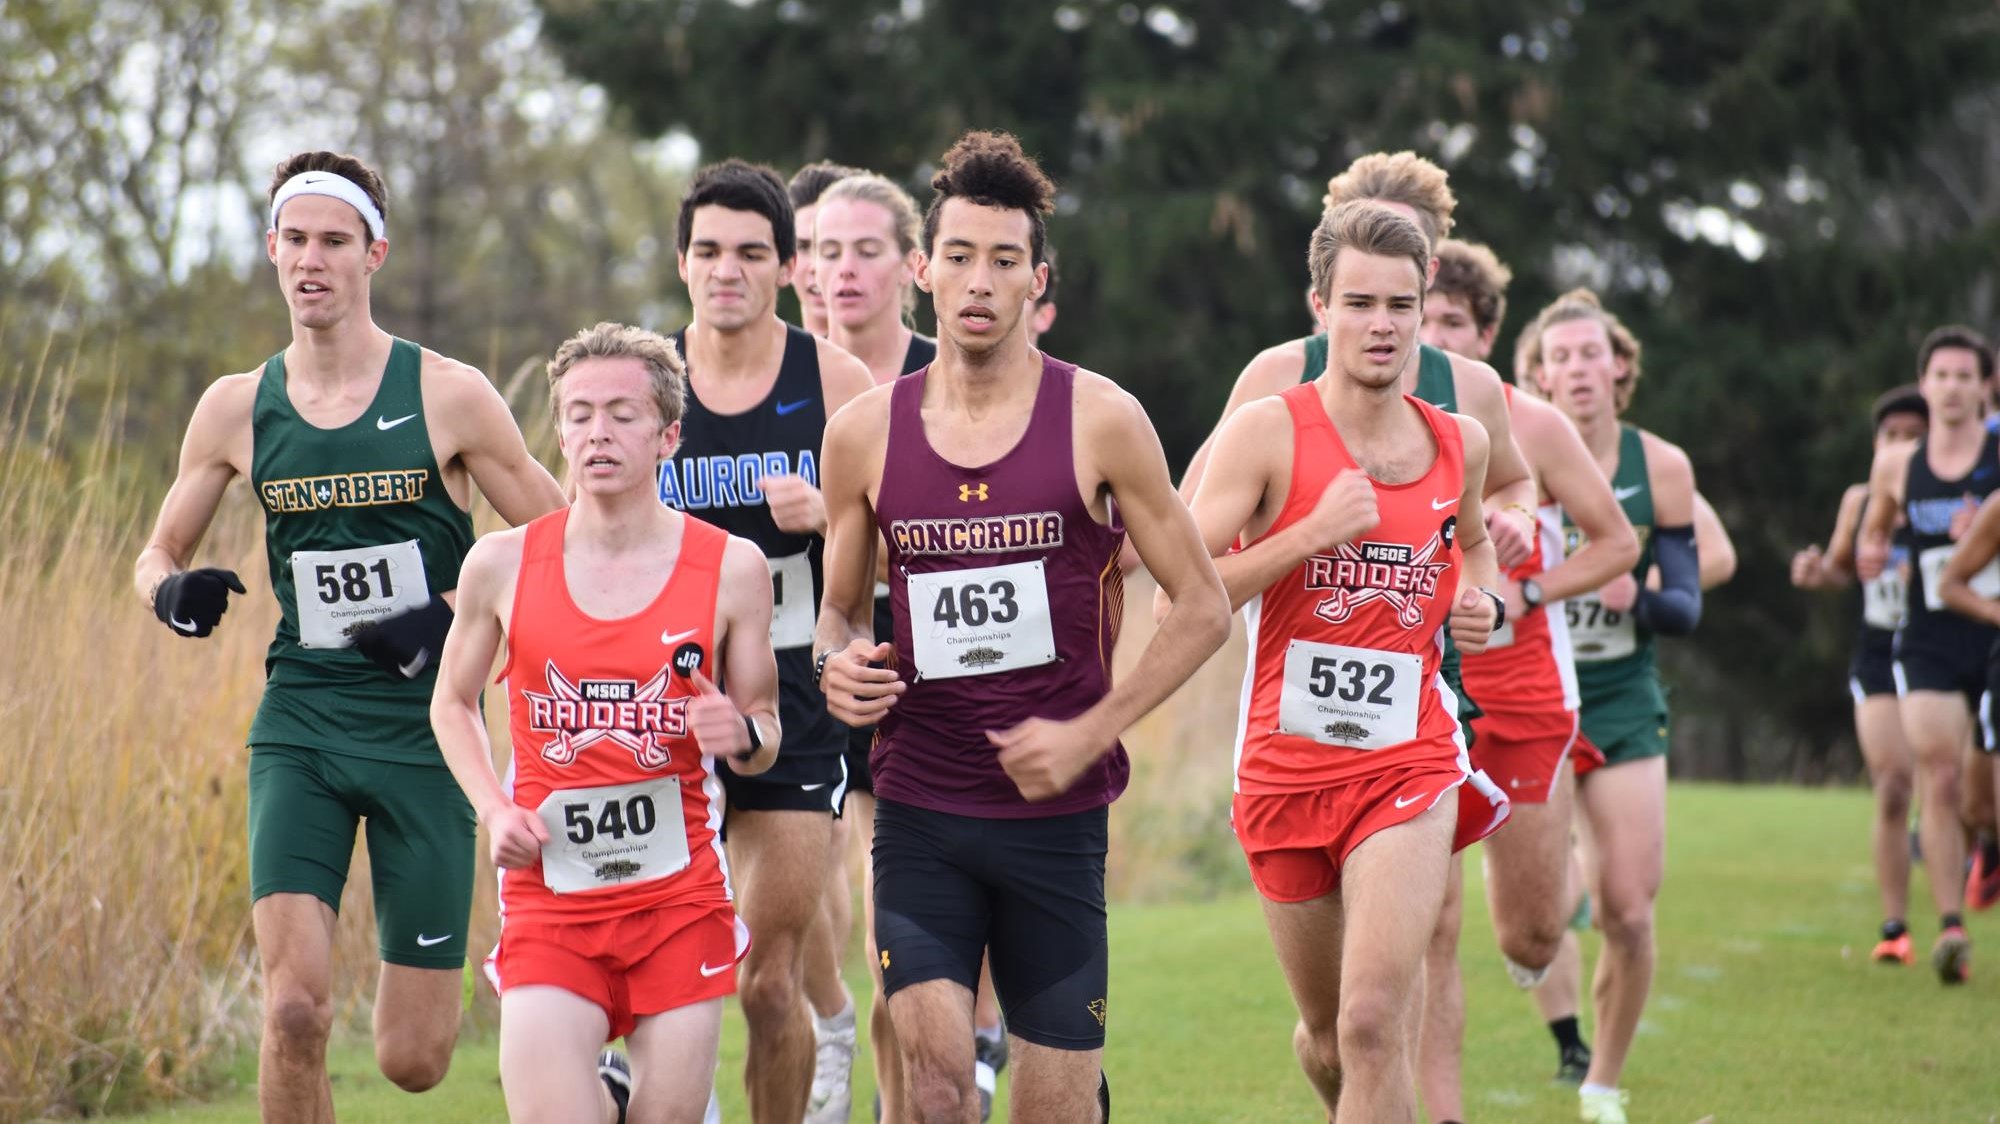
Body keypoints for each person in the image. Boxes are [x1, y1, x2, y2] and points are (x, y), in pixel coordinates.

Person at [132, 151, 568, 1122]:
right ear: (271, 251)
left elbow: (563, 544)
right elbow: (156, 549)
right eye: (294, 239)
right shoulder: (236, 407)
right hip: (302, 726)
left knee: (413, 1057)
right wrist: (170, 590)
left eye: (334, 240)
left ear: (375, 252)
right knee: (292, 1008)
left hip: (427, 734)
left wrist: (449, 616)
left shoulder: (449, 393)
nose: (311, 260)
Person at [814, 130, 1230, 1124]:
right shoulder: (863, 433)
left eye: (1004, 261)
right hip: (919, 803)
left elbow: (1204, 605)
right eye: (957, 255)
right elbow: (834, 608)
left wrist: (1093, 728)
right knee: (937, 1086)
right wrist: (835, 666)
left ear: (1037, 282)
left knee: (1051, 1104)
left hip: (1055, 818)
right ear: (922, 270)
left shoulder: (1101, 418)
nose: (977, 280)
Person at [1183, 200, 1509, 1122]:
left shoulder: (1460, 441)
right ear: (1319, 306)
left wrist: (1480, 601)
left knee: (1373, 1021)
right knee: (1329, 1040)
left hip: (1408, 760)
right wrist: (1310, 535)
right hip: (1284, 769)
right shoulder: (1268, 432)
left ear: (1423, 307)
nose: (1381, 326)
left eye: (1400, 306)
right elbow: (1190, 586)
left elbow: (1472, 545)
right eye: (1359, 303)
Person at [431, 323, 780, 1124]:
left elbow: (765, 732)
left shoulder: (732, 568)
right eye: (580, 413)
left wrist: (743, 735)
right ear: (560, 431)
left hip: (679, 901)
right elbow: (452, 703)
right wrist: (494, 808)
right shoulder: (502, 564)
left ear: (669, 435)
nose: (598, 432)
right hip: (550, 896)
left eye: (623, 414)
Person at [661, 159, 876, 1122]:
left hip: (796, 700)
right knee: (669, 970)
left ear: (788, 268)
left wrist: (829, 517)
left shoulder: (833, 379)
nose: (727, 271)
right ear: (681, 262)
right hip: (670, 703)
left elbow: (898, 552)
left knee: (767, 977)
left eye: (752, 253)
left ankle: (810, 1056)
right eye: (708, 251)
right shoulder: (647, 381)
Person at [1413, 239, 1640, 1124]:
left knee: (1531, 937)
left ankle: (1548, 870)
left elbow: (1618, 542)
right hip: (1417, 688)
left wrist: (1529, 585)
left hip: (1523, 687)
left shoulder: (1530, 425)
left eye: (1452, 325)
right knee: (1429, 925)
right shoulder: (1374, 421)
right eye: (1419, 319)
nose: (1431, 340)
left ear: (1489, 333)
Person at [1528, 288, 1704, 1124]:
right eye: (1559, 357)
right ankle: (1538, 944)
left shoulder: (1659, 466)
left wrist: (1637, 596)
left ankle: (1602, 1082)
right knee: (1533, 926)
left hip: (1622, 695)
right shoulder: (1513, 453)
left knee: (1630, 910)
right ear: (1538, 374)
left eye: (1590, 352)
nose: (1576, 369)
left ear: (1619, 364)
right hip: (1529, 695)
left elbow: (1688, 607)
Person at [800, 168, 938, 1124]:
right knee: (810, 901)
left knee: (907, 927)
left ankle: (914, 1085)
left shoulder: (950, 372)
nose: (840, 273)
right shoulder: (775, 377)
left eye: (862, 252)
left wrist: (835, 520)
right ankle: (829, 1026)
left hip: (928, 656)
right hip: (813, 657)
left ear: (910, 265)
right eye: (823, 253)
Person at [1858, 325, 2000, 985]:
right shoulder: (1897, 463)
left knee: (1983, 795)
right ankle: (1949, 927)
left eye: (1963, 376)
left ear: (1983, 387)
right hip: (1928, 638)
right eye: (1939, 375)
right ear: (1926, 385)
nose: (1951, 387)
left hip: (1994, 628)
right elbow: (1876, 528)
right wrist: (1872, 549)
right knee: (1936, 777)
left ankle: (1989, 844)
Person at [1792, 386, 1928, 962]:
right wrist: (1816, 570)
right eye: (1889, 437)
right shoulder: (1860, 500)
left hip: (1943, 649)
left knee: (1959, 793)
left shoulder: (1951, 495)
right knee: (1894, 786)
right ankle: (1895, 927)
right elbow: (1842, 570)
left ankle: (1968, 853)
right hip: (1877, 652)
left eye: (1911, 437)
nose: (1898, 447)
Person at [788, 161, 865, 337]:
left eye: (832, 249)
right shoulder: (765, 362)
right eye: (804, 247)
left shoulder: (930, 359)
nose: (816, 266)